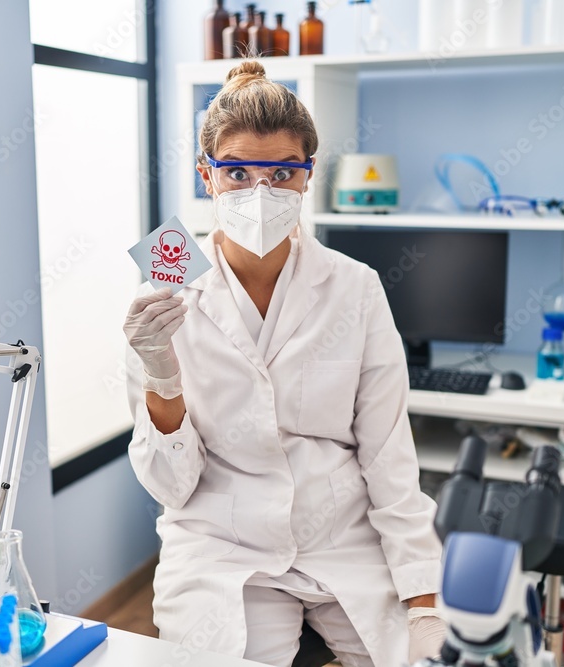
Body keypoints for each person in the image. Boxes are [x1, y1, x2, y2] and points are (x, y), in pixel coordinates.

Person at [123, 60, 445, 667]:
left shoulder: (355, 288)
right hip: (222, 542)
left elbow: (388, 455)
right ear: (206, 176)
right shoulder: (163, 288)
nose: (260, 192)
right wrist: (160, 375)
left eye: (282, 173)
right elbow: (171, 485)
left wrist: (423, 604)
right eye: (237, 172)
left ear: (308, 177)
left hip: (340, 535)